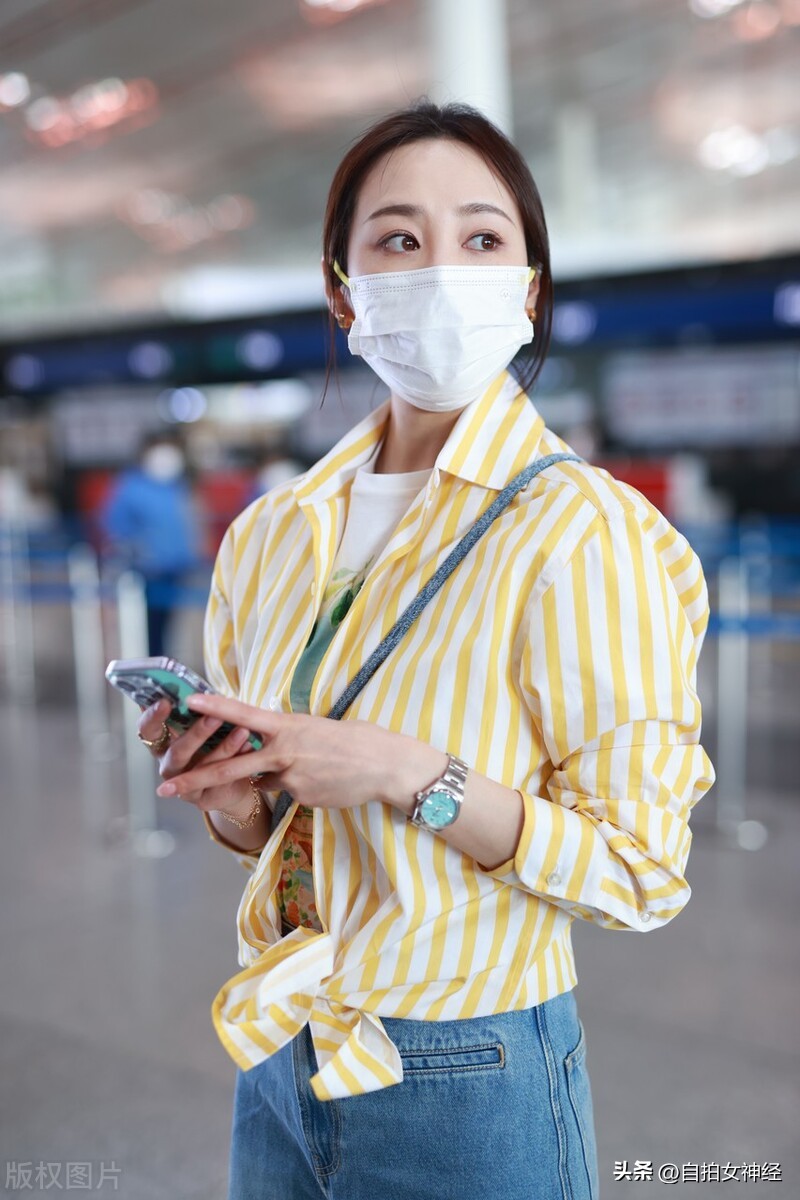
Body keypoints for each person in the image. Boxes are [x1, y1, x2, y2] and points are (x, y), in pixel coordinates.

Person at [136, 102, 715, 1200]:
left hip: (470, 1070)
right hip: (285, 1038)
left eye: (482, 238)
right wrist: (232, 795)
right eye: (399, 238)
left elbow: (639, 873)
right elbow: (275, 833)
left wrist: (410, 774)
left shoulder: (582, 532)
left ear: (528, 289)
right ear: (342, 289)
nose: (443, 271)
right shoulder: (272, 534)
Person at [102, 431, 201, 658]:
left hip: (176, 568)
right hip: (147, 571)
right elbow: (115, 525)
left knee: (168, 628)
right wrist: (135, 551)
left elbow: (187, 525)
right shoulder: (130, 486)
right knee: (147, 629)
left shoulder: (177, 486)